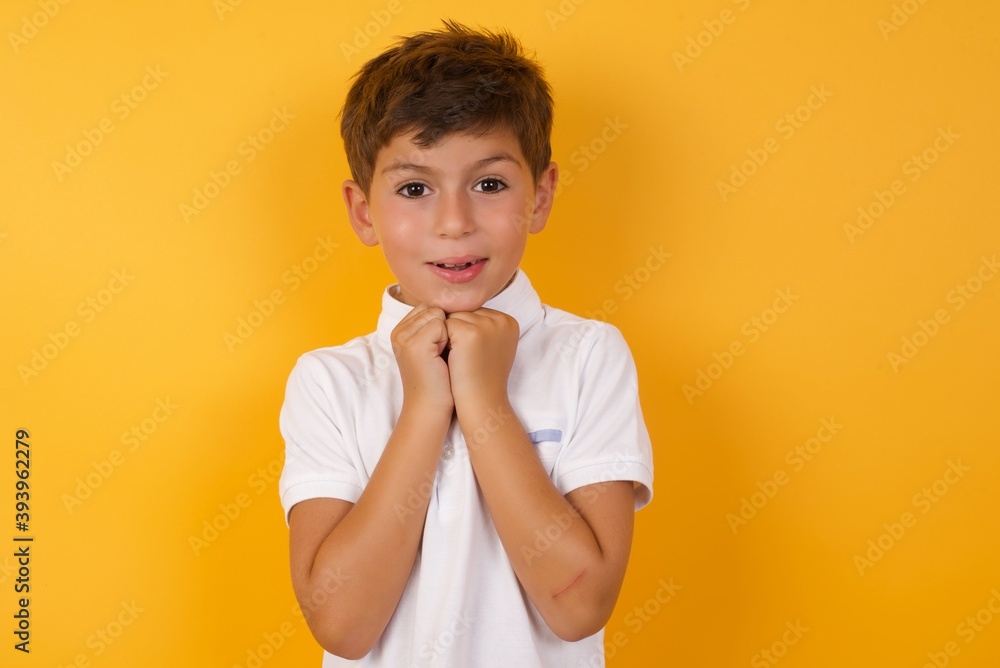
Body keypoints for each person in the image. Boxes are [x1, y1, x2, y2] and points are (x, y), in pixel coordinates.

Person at [278, 19, 653, 667]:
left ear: (541, 196)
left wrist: (484, 401)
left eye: (489, 184)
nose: (454, 223)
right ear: (363, 211)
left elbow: (579, 605)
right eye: (415, 189)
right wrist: (426, 406)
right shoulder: (329, 381)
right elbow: (342, 625)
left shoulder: (589, 357)